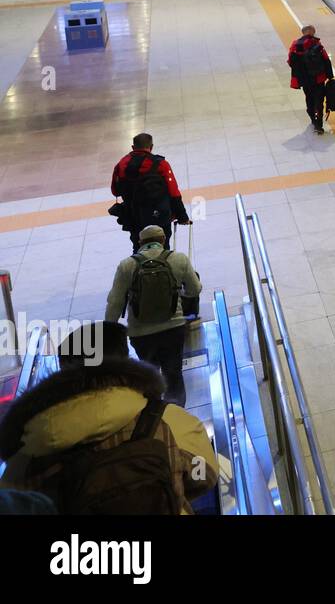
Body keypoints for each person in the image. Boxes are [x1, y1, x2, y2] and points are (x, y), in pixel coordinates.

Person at [0, 322, 216, 514]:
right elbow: (205, 474)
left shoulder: (29, 451)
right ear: (125, 362)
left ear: (64, 370)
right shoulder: (167, 418)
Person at [105, 225, 202, 407]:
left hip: (140, 333)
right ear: (163, 239)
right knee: (173, 373)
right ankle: (177, 415)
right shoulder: (179, 259)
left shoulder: (127, 265)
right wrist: (178, 296)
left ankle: (153, 416)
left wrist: (109, 329)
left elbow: (115, 301)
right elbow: (195, 289)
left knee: (149, 374)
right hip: (173, 329)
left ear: (140, 242)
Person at [110, 133, 191, 251]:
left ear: (133, 147)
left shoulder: (121, 164)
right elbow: (174, 193)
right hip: (160, 217)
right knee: (163, 249)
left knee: (138, 248)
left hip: (134, 216)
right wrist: (182, 217)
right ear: (151, 147)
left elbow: (115, 191)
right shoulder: (161, 164)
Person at [287, 24, 334, 134]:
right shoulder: (316, 43)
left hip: (304, 79)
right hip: (318, 78)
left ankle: (313, 118)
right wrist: (330, 76)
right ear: (312, 32)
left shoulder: (295, 45)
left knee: (309, 97)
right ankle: (319, 124)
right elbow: (326, 59)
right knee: (319, 99)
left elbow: (290, 61)